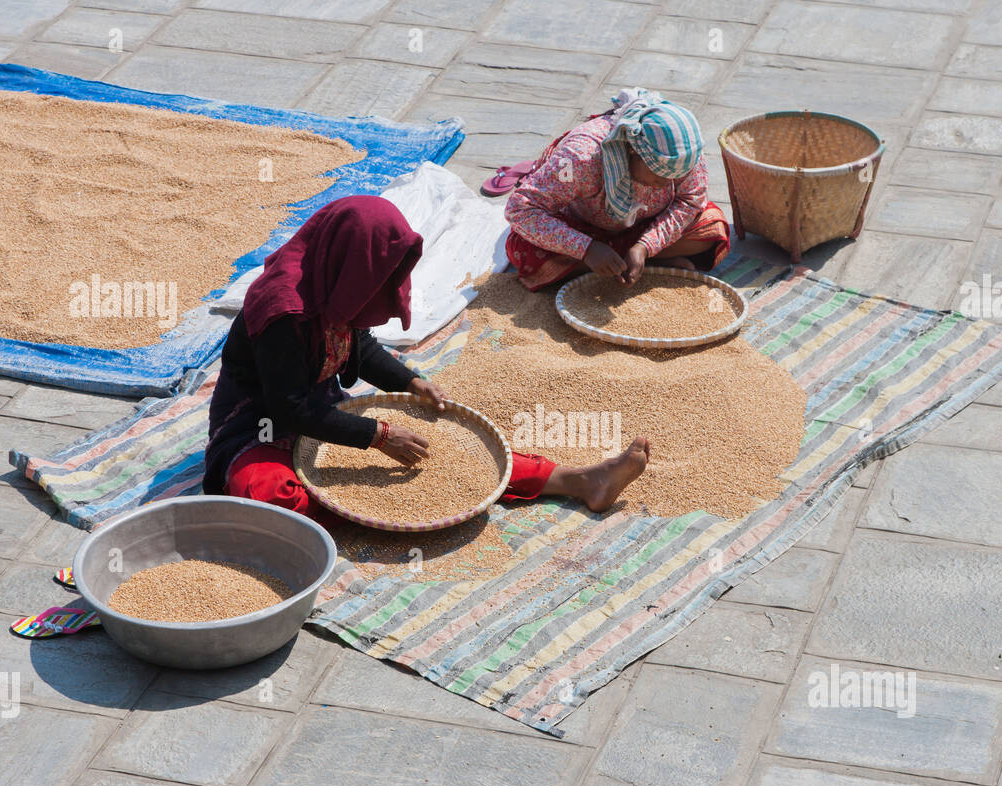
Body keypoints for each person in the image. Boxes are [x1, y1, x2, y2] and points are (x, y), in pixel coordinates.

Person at [203, 195, 649, 526]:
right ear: (350, 267)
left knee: (448, 451)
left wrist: (410, 382)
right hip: (260, 429)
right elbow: (289, 408)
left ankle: (576, 480)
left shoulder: (334, 285)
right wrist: (377, 436)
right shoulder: (284, 311)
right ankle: (360, 511)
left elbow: (361, 344)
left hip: (325, 416)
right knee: (268, 498)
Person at [504, 88, 730, 291]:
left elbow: (691, 201)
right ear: (633, 150)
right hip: (581, 228)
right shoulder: (580, 159)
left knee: (712, 226)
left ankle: (629, 261)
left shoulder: (684, 153)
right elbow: (520, 210)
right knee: (525, 252)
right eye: (660, 174)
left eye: (675, 177)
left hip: (641, 227)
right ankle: (610, 262)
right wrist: (586, 249)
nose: (668, 183)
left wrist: (645, 246)